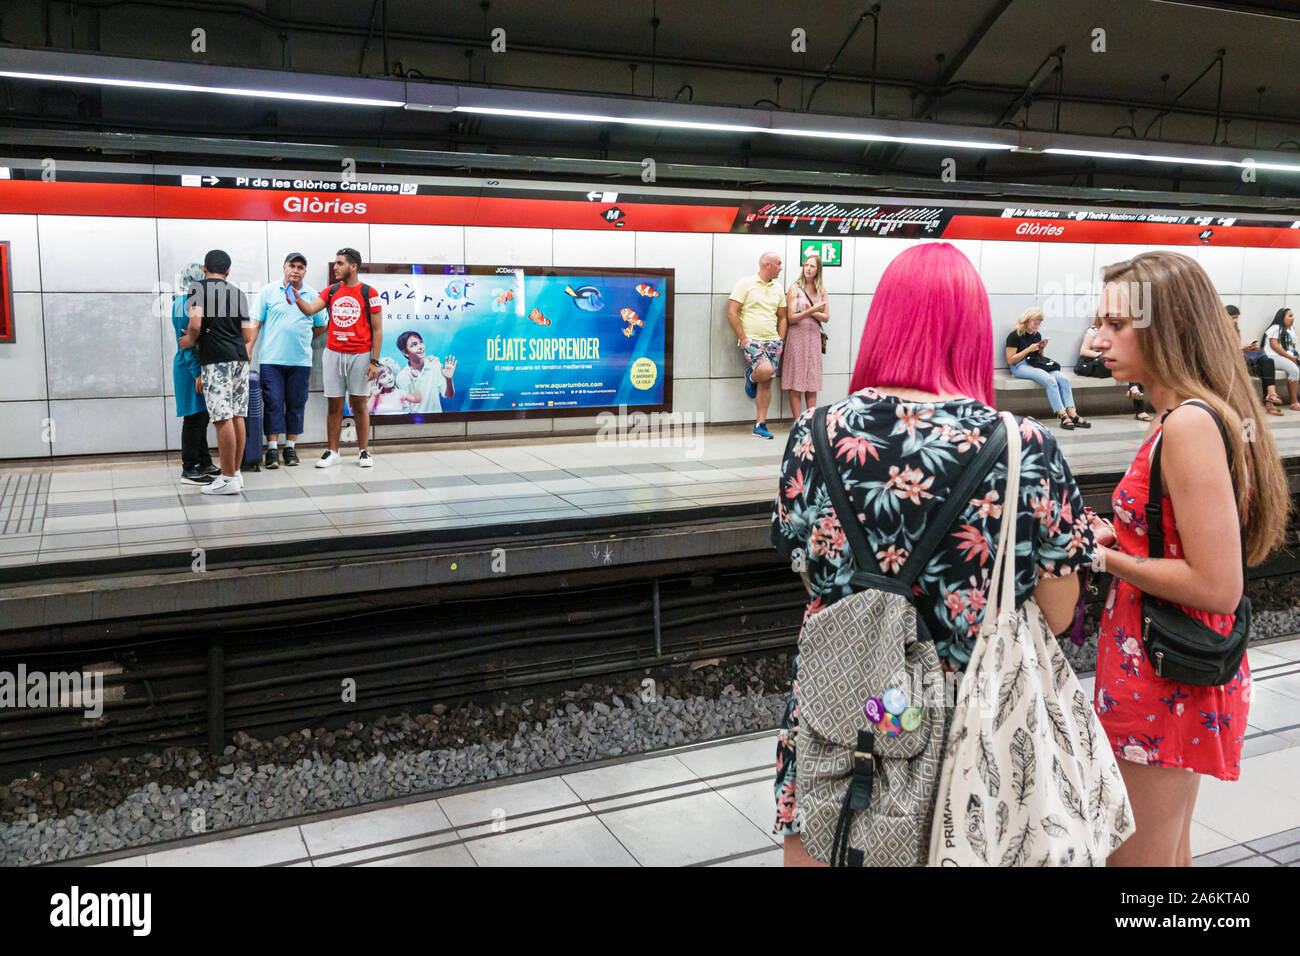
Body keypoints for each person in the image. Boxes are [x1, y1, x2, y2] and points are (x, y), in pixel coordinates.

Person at [771, 242, 1096, 866]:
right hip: (968, 727)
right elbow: (1058, 614)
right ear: (972, 331)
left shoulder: (811, 434)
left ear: (882, 325)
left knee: (833, 842)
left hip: (848, 715)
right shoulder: (1023, 444)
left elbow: (806, 566)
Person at [1088, 252, 1288, 867]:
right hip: (1173, 666)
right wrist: (1124, 541)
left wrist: (1108, 561)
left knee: (1135, 860)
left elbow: (1216, 584)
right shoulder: (1194, 414)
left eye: (1116, 326)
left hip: (1162, 673)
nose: (1096, 340)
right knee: (1169, 851)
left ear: (1169, 327)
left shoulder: (1189, 425)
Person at [287, 247, 383, 467]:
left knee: (359, 404)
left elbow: (377, 330)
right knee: (334, 404)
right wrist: (296, 297)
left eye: (340, 263)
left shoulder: (370, 293)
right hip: (333, 354)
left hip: (360, 354)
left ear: (353, 266)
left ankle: (364, 451)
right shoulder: (331, 290)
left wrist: (374, 361)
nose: (336, 267)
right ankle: (332, 451)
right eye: (335, 263)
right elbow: (310, 310)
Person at [178, 249, 252, 495]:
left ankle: (227, 478)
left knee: (222, 419)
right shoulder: (239, 293)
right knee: (238, 415)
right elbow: (247, 335)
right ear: (228, 270)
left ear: (205, 269)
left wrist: (189, 339)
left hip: (215, 360)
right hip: (240, 359)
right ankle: (237, 474)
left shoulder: (198, 288)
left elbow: (195, 324)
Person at [248, 253, 326, 467]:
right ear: (284, 267)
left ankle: (290, 449)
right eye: (292, 266)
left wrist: (305, 338)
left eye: (300, 267)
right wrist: (249, 348)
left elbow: (321, 324)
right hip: (271, 360)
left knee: (296, 404)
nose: (296, 270)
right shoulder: (268, 292)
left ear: (305, 272)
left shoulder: (312, 295)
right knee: (272, 403)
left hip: (300, 361)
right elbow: (256, 323)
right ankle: (272, 450)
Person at [171, 261, 221, 485]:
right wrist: (197, 375)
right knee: (193, 419)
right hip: (189, 369)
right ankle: (189, 467)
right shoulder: (185, 304)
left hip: (196, 368)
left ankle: (203, 461)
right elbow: (186, 345)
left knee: (202, 417)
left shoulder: (188, 301)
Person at [728, 252, 787, 439]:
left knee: (767, 380)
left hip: (773, 341)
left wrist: (781, 340)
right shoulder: (745, 284)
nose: (781, 268)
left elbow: (783, 316)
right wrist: (744, 339)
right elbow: (732, 313)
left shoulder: (778, 288)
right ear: (767, 265)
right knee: (765, 371)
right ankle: (751, 377)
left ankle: (760, 424)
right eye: (778, 264)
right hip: (752, 340)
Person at [1006, 307, 1090, 430]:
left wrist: (1041, 349)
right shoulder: (1015, 335)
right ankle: (1062, 415)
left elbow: (1039, 359)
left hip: (1034, 363)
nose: (1037, 326)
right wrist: (1029, 349)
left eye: (1039, 323)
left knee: (1063, 379)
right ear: (1027, 320)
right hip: (1019, 366)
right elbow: (1010, 359)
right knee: (1050, 380)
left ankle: (1072, 413)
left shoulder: (1036, 335)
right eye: (1035, 323)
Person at [1076, 315, 1151, 421]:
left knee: (1135, 365)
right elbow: (1083, 351)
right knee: (1126, 366)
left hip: (1109, 363)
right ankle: (1135, 396)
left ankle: (1137, 400)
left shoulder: (1115, 332)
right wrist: (1101, 355)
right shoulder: (1093, 330)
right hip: (1092, 364)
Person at [782, 253, 828, 418]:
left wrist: (811, 312)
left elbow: (826, 317)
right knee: (796, 380)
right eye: (806, 265)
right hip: (797, 337)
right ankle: (797, 422)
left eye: (812, 266)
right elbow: (791, 318)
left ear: (818, 270)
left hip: (813, 337)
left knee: (812, 382)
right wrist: (813, 310)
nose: (808, 269)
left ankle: (810, 420)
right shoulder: (795, 288)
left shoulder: (821, 290)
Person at [1228, 304, 1282, 415]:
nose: (1235, 320)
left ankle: (1271, 394)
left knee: (1267, 362)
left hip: (1243, 359)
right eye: (1233, 317)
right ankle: (1270, 403)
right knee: (1264, 365)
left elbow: (1237, 348)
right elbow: (1223, 351)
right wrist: (1242, 348)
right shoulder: (1217, 330)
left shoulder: (1236, 330)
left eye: (1237, 318)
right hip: (1230, 362)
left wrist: (1248, 348)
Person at [395, 331, 456, 413]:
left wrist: (449, 379)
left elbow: (449, 395)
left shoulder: (435, 365)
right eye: (414, 345)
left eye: (421, 342)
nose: (420, 347)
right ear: (405, 352)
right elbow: (405, 408)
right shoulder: (402, 376)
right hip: (415, 422)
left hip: (437, 421)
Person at [1260, 307, 1300, 410]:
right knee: (1294, 370)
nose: (1293, 318)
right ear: (1282, 317)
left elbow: (1290, 347)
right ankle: (1294, 402)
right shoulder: (1276, 328)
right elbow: (1274, 345)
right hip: (1272, 357)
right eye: (1290, 316)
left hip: (1285, 356)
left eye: (1293, 316)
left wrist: (1295, 356)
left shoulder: (1291, 330)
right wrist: (1291, 358)